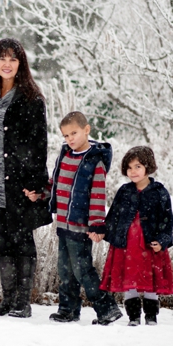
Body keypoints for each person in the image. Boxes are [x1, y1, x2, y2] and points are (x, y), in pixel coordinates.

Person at [0, 39, 52, 319]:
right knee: (3, 238)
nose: (6, 64)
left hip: (18, 181)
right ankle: (8, 299)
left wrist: (37, 184)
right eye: (1, 58)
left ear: (20, 64)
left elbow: (40, 144)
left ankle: (23, 302)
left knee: (22, 238)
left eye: (12, 59)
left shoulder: (31, 99)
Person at [49, 111, 123, 326]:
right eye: (65, 135)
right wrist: (43, 193)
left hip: (81, 226)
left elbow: (98, 196)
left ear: (87, 130)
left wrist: (97, 225)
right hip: (62, 223)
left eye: (74, 133)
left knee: (82, 269)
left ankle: (106, 308)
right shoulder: (64, 155)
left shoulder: (94, 161)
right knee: (65, 269)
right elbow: (56, 184)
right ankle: (68, 310)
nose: (70, 139)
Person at [100, 146, 173, 326]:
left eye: (137, 166)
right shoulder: (124, 191)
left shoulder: (159, 192)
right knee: (130, 280)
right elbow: (113, 216)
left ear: (148, 167)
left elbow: (167, 220)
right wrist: (102, 232)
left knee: (149, 280)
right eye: (129, 167)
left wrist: (162, 241)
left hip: (150, 244)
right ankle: (133, 317)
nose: (132, 171)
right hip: (126, 245)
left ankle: (151, 316)